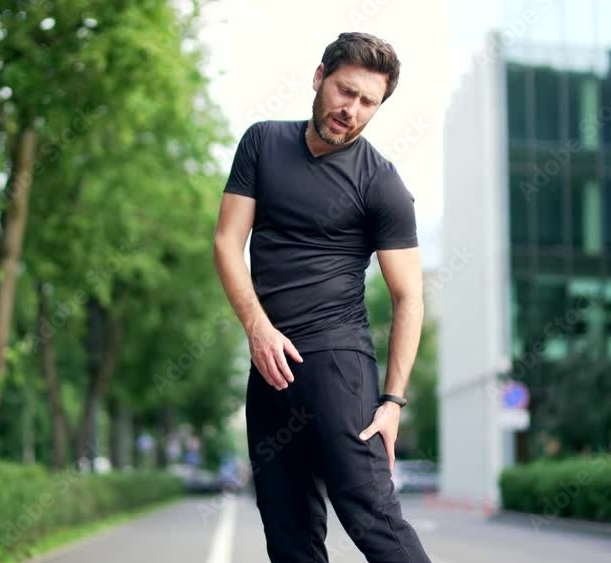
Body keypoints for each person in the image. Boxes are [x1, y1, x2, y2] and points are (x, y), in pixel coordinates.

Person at [213, 31, 432, 563]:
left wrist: (393, 403)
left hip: (338, 367)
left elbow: (410, 297)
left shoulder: (381, 183)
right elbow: (226, 242)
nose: (350, 110)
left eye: (367, 103)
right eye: (345, 91)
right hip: (268, 371)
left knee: (370, 517)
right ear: (319, 77)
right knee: (288, 535)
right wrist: (257, 329)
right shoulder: (262, 143)